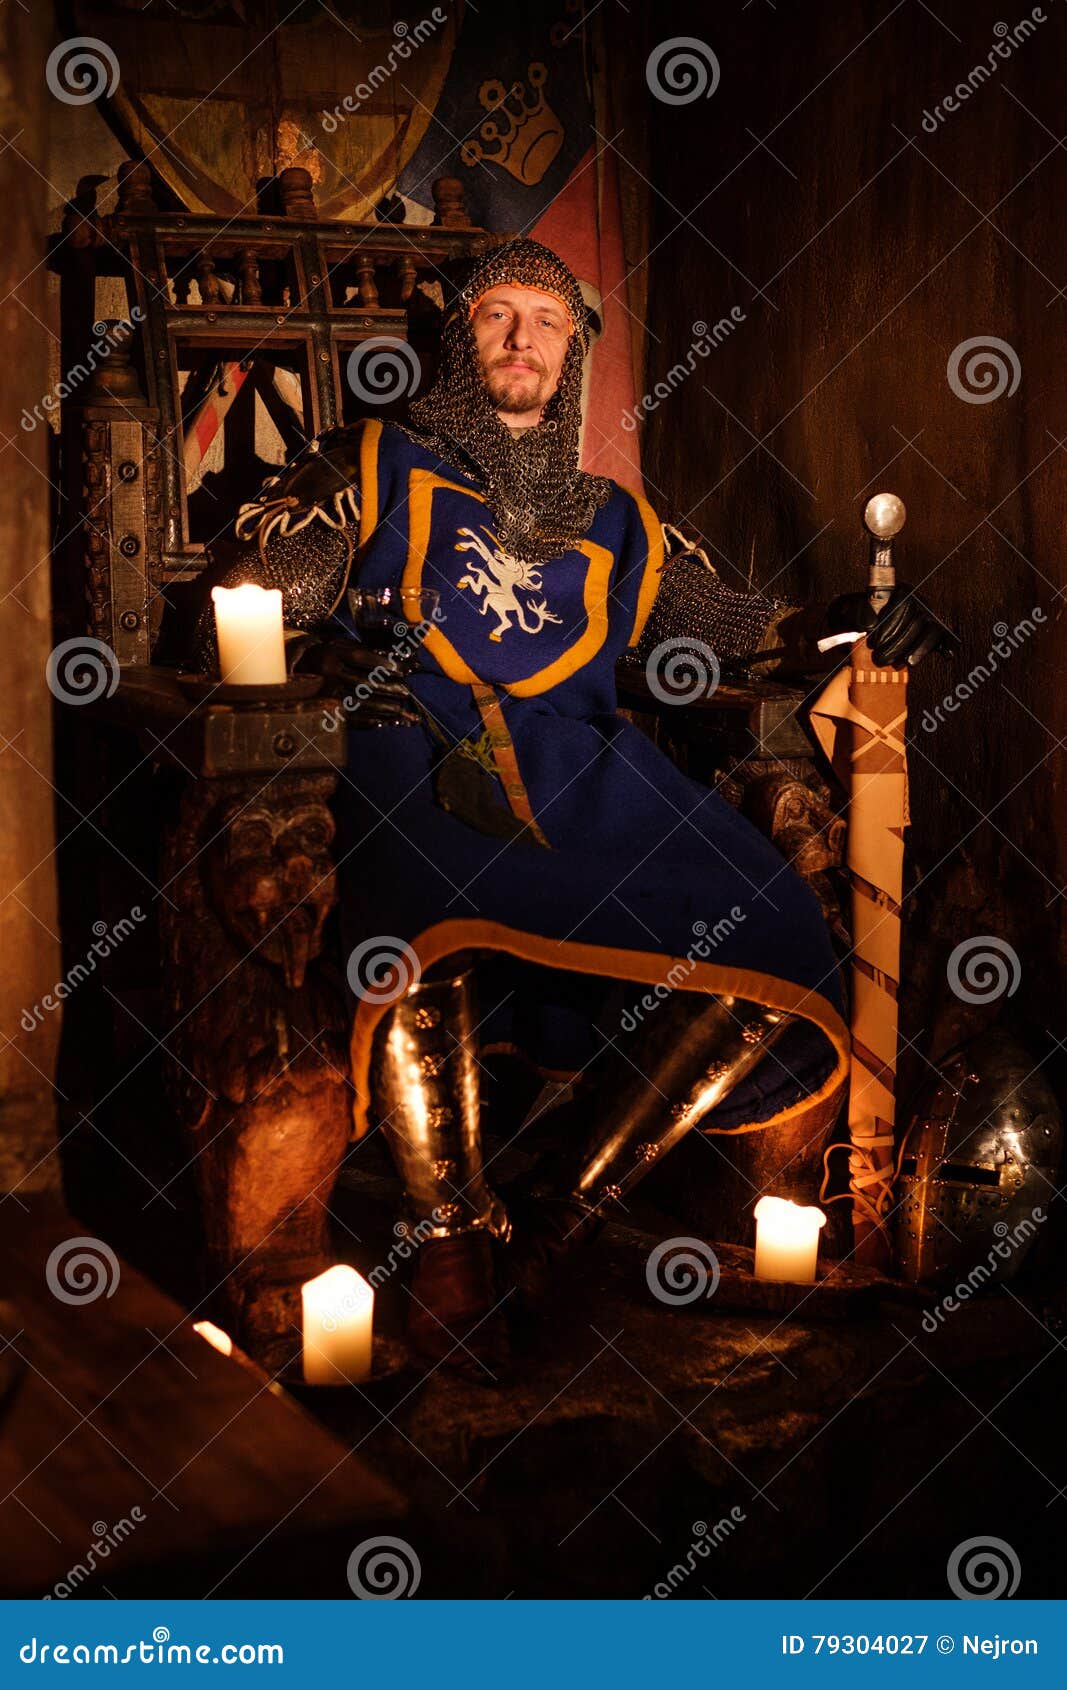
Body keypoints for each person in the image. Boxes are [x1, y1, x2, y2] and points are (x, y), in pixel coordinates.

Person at [201, 237, 950, 1376]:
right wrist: (311, 629)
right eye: (497, 314)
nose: (522, 339)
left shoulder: (615, 518)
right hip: (414, 738)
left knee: (778, 929)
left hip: (587, 764)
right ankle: (452, 1242)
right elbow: (257, 588)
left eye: (546, 321)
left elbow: (738, 625)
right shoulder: (373, 460)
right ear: (460, 340)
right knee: (424, 902)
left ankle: (559, 1211)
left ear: (572, 355)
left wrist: (847, 619)